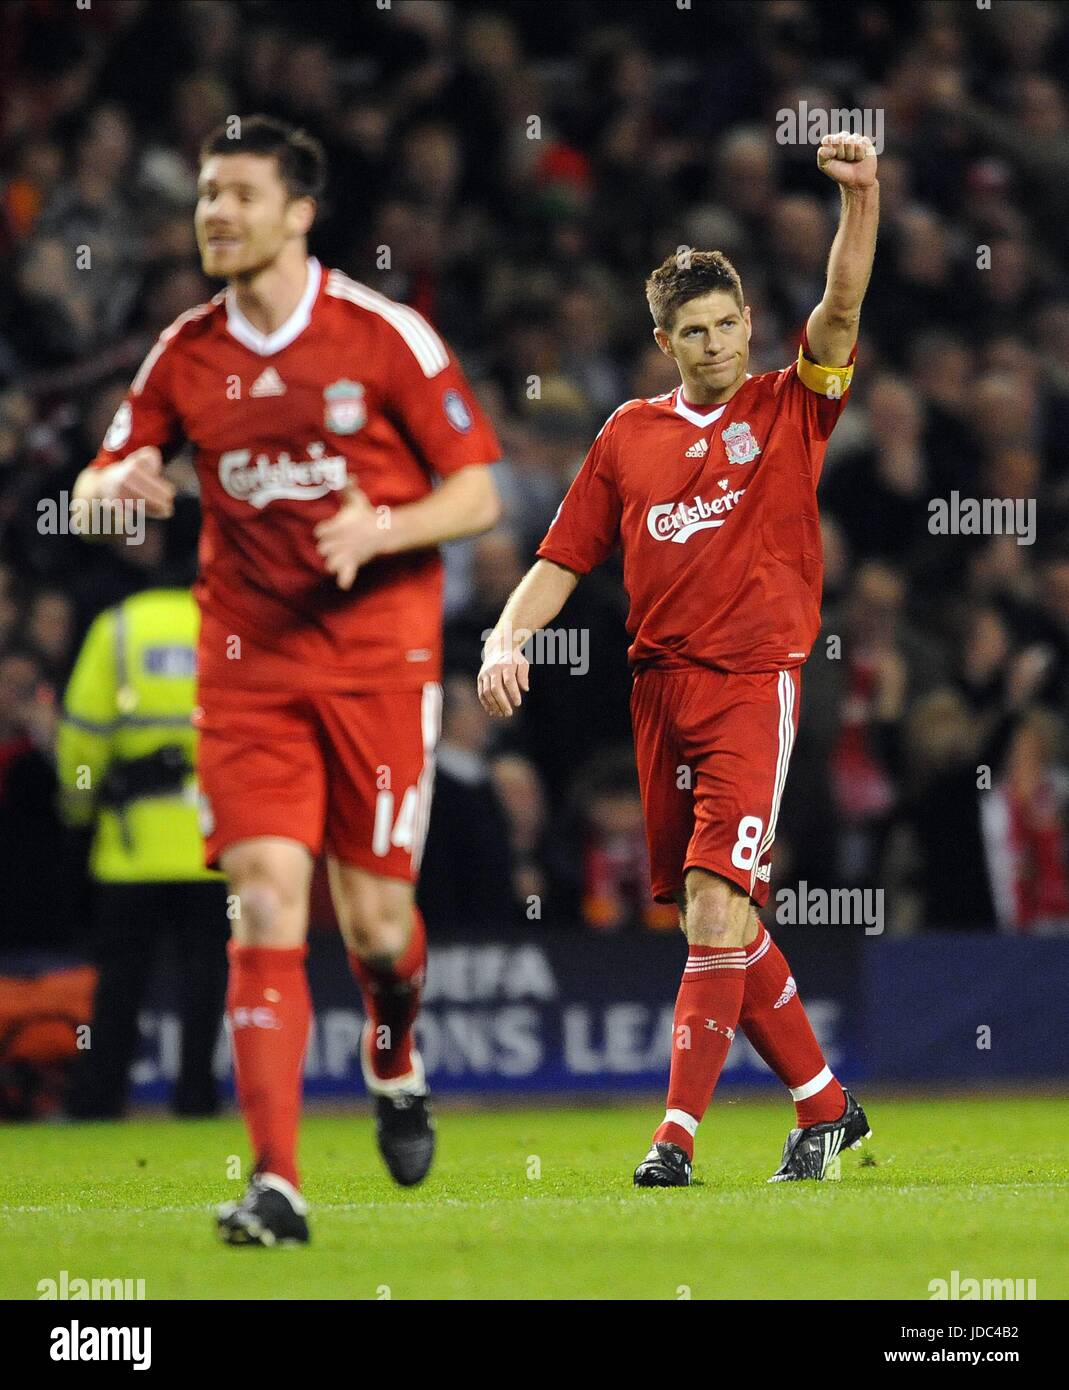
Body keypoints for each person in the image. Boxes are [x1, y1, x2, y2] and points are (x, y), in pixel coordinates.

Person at [72, 116, 501, 1245]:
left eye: (239, 194)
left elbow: (479, 494)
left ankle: (395, 1054)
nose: (214, 211)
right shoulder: (186, 352)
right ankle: (279, 1183)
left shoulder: (384, 338)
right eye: (207, 192)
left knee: (374, 928)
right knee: (264, 893)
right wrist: (112, 487)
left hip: (376, 667)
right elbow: (103, 472)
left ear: (299, 212)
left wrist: (387, 526)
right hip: (249, 670)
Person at [478, 133, 879, 1187]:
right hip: (657, 694)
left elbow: (840, 306)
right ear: (665, 341)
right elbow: (561, 556)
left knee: (713, 904)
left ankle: (675, 1138)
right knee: (723, 922)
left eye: (725, 325)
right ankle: (827, 1108)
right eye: (690, 331)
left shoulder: (792, 406)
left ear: (749, 322)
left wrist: (861, 201)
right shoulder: (626, 436)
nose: (711, 345)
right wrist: (507, 633)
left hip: (754, 682)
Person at [57, 587, 229, 1118]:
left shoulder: (120, 627)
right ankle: (197, 1094)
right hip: (212, 841)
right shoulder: (226, 622)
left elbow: (83, 734)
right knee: (206, 977)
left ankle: (101, 1097)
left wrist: (78, 809)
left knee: (122, 981)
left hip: (131, 847)